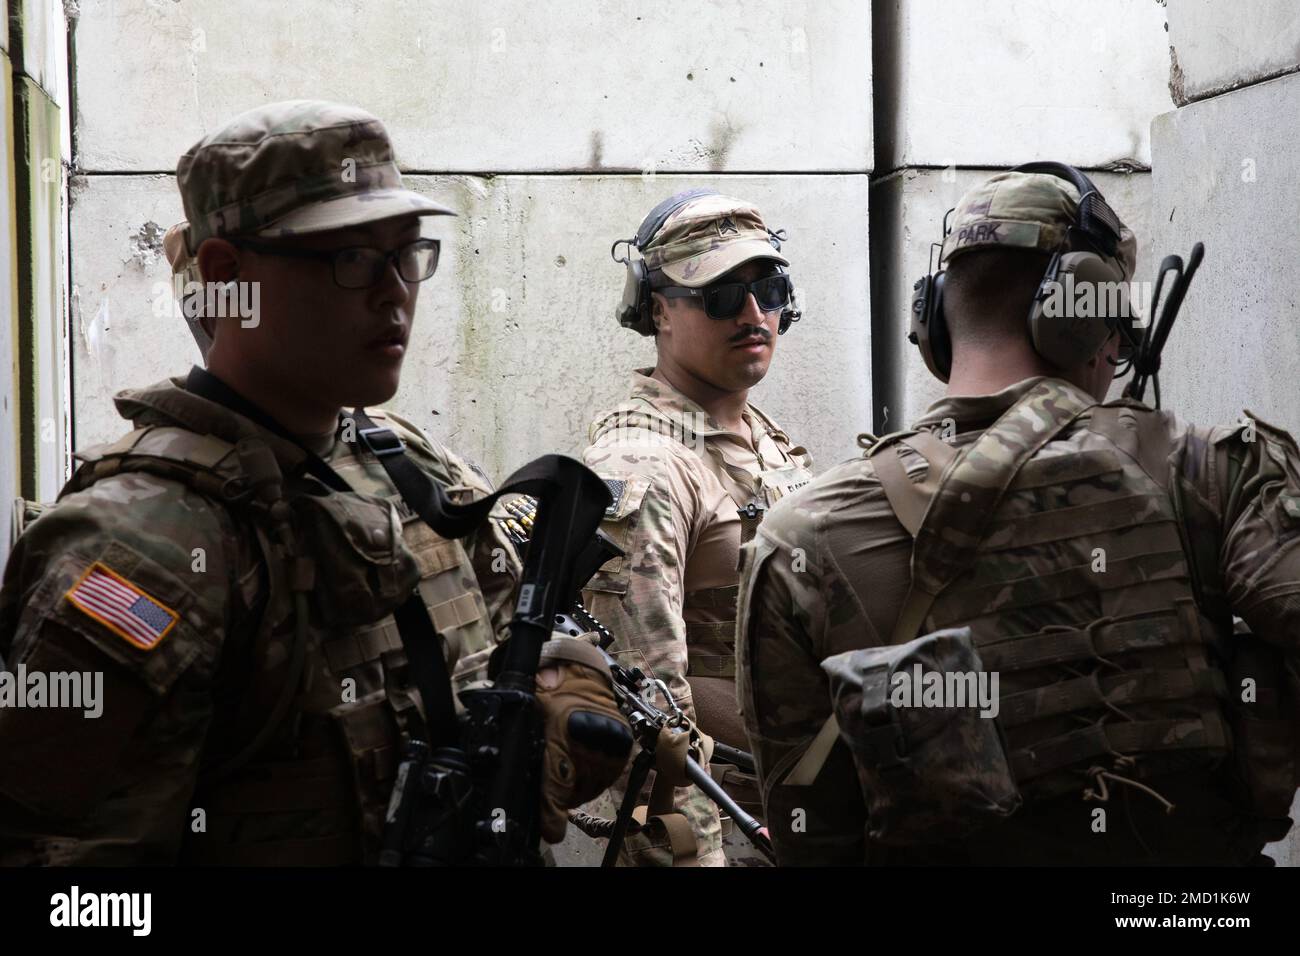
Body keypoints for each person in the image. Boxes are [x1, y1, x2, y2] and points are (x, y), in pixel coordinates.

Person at [0, 100, 627, 865]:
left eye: (407, 254)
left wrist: (557, 708)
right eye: (352, 259)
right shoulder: (140, 545)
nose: (395, 292)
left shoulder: (403, 461)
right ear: (229, 278)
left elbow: (505, 638)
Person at [737, 163, 1300, 865]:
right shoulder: (1215, 473)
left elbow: (808, 832)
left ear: (935, 319)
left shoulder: (801, 537)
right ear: (1088, 314)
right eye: (1118, 334)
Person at [579, 189, 814, 866]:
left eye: (768, 288)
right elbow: (647, 711)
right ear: (658, 309)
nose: (752, 313)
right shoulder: (645, 463)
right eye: (718, 294)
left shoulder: (762, 441)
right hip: (725, 834)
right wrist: (692, 856)